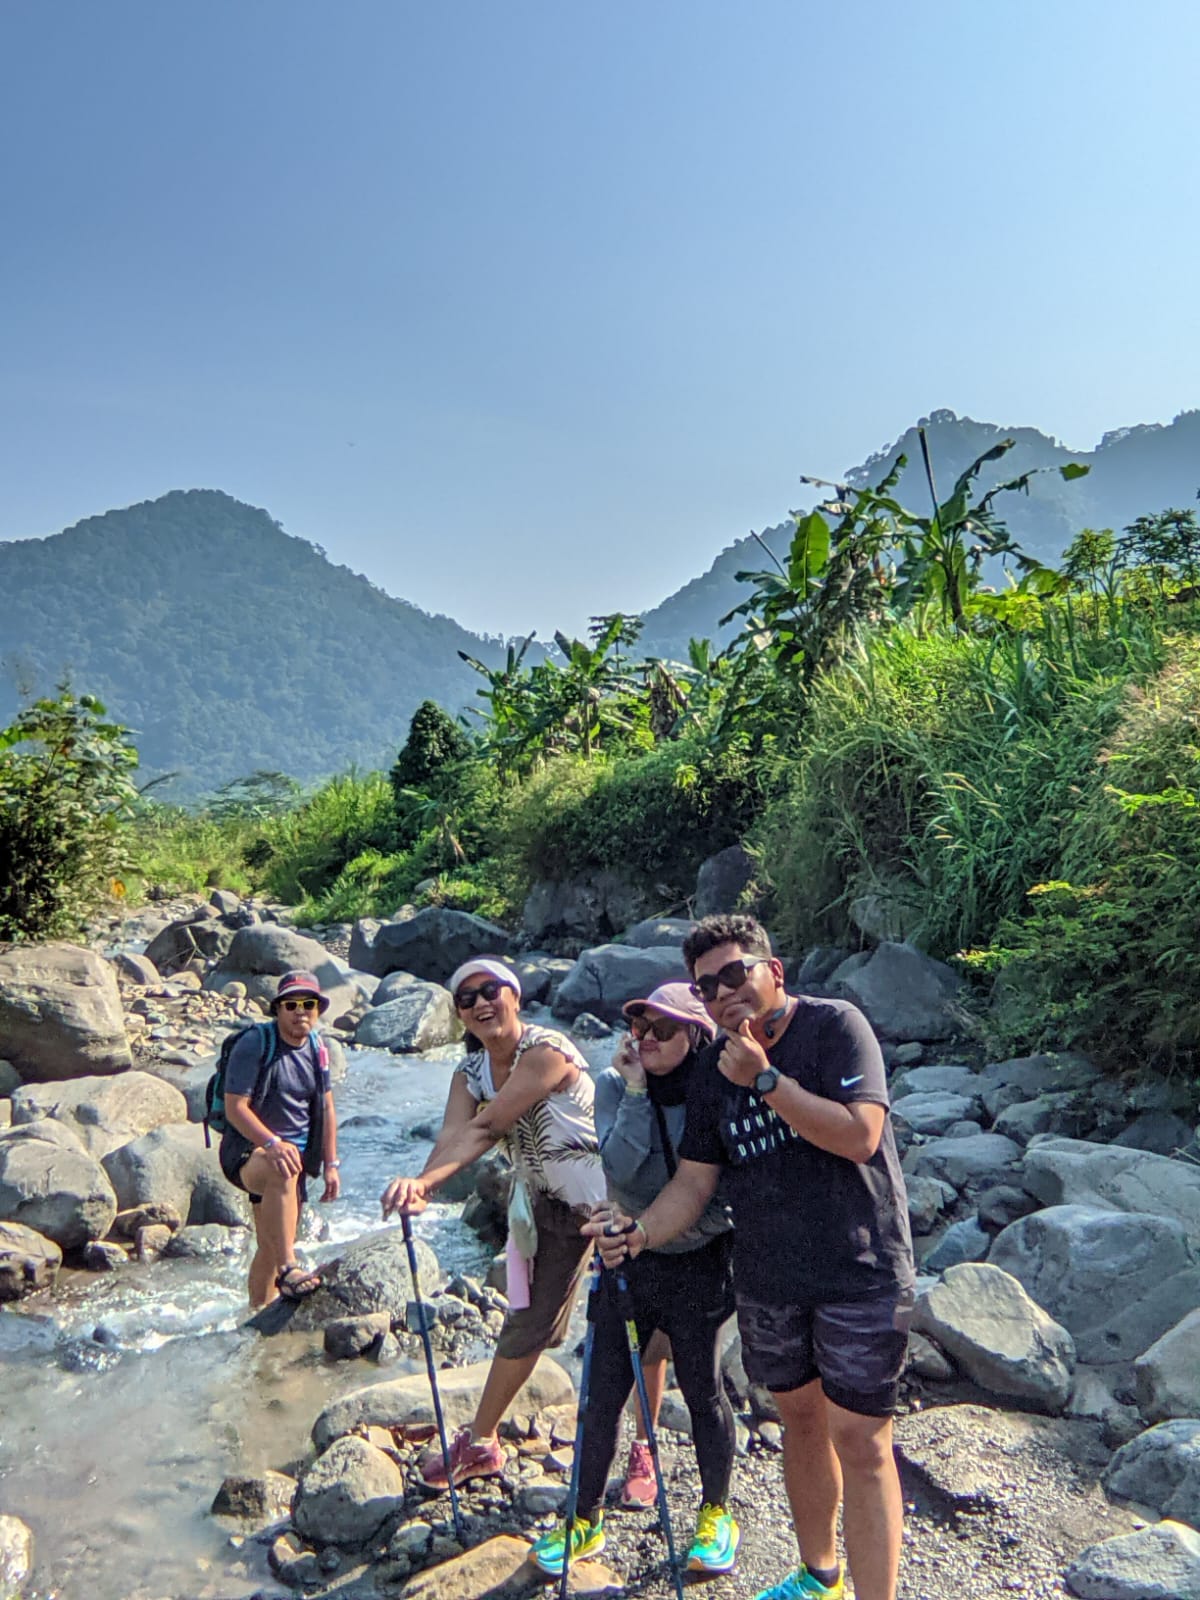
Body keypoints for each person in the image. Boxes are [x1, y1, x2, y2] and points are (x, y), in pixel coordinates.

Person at [589, 915, 914, 1600]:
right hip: (768, 1275)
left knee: (861, 1438)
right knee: (800, 1420)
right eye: (708, 987)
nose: (723, 992)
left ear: (775, 972)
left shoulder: (835, 1027)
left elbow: (861, 1135)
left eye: (735, 973)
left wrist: (768, 1082)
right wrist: (642, 1234)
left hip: (859, 1266)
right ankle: (820, 1572)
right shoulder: (711, 1069)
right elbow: (694, 1181)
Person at [529, 982, 738, 1579]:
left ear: (695, 1034)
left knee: (704, 1392)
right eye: (640, 1029)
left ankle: (716, 1512)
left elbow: (717, 1182)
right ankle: (584, 1518)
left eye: (663, 1031)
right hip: (626, 1259)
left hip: (700, 1260)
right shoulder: (616, 1086)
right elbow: (618, 1166)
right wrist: (640, 1092)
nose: (646, 1040)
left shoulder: (715, 1090)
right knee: (601, 1395)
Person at [381, 958, 605, 1488]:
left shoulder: (546, 1053)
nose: (481, 1003)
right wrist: (420, 1183)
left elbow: (488, 1126)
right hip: (544, 1209)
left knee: (634, 1326)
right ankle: (481, 1442)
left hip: (609, 1207)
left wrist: (429, 1184)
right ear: (460, 1016)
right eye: (467, 999)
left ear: (515, 997)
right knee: (526, 1323)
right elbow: (452, 1134)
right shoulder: (470, 1072)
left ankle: (641, 1448)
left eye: (491, 991)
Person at [220, 969, 341, 1307]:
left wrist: (331, 1163)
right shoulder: (255, 1044)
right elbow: (235, 1107)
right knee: (281, 1173)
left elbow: (327, 1107)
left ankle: (257, 1316)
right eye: (291, 1005)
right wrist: (272, 1143)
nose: (300, 1011)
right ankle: (290, 1268)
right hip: (250, 1152)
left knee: (269, 1245)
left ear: (318, 1010)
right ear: (278, 1010)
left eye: (308, 1004)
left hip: (297, 1159)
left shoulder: (318, 1048)